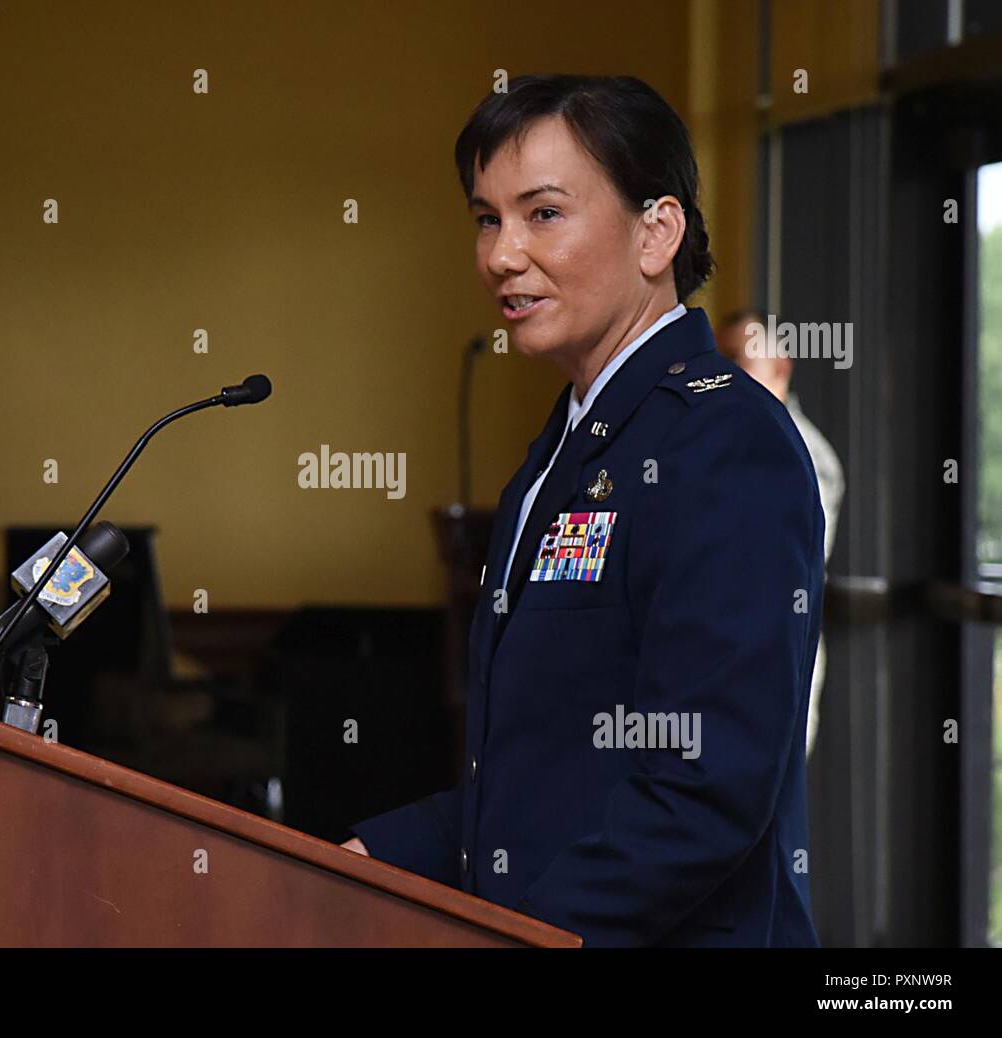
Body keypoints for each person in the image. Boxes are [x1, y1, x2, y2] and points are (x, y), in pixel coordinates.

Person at [340, 75, 825, 947]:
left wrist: (515, 937)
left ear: (656, 232)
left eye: (544, 214)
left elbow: (702, 792)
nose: (500, 254)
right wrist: (367, 856)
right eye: (487, 218)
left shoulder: (722, 443)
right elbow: (538, 778)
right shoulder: (565, 445)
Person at [717, 310, 845, 758]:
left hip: (773, 665)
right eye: (720, 361)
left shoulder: (806, 455)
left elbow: (784, 568)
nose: (726, 374)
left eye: (739, 358)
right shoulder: (725, 443)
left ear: (781, 366)